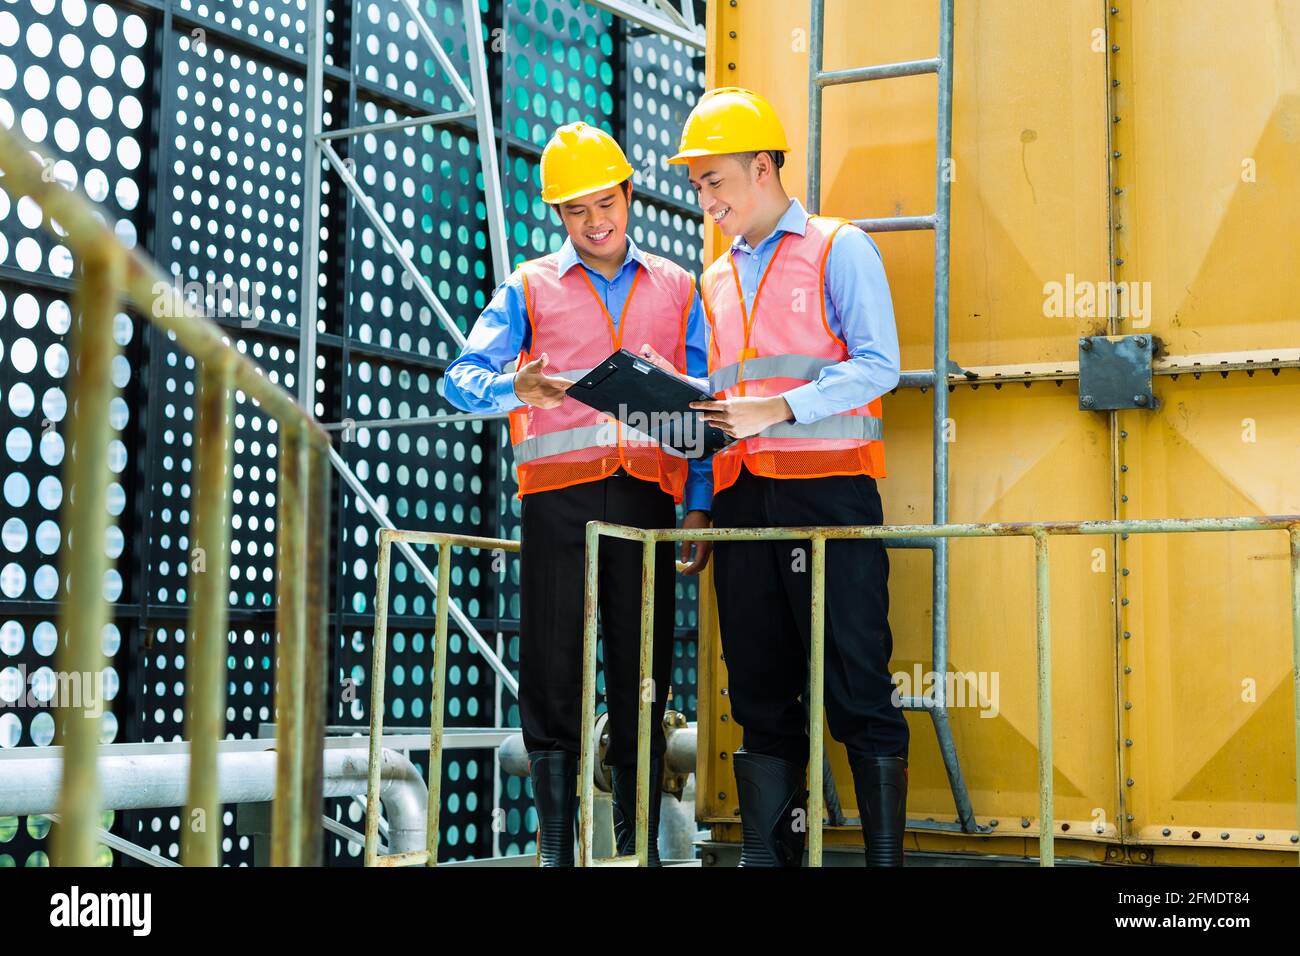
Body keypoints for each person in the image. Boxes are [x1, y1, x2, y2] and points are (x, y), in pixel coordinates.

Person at [443, 122, 713, 866]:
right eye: (575, 212)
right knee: (552, 672)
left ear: (630, 195)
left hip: (645, 500)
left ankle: (638, 851)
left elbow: (698, 407)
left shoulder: (678, 287)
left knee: (643, 673)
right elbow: (458, 378)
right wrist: (511, 385)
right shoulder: (528, 286)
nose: (595, 224)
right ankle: (557, 852)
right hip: (557, 499)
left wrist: (698, 499)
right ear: (557, 216)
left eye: (605, 204)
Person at [667, 87, 908, 866]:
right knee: (761, 692)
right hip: (742, 506)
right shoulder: (713, 280)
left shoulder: (841, 248)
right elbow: (708, 407)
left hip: (830, 491)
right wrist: (699, 507)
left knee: (856, 685)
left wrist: (783, 408)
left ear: (763, 167)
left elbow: (881, 365)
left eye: (716, 181)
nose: (705, 201)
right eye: (698, 185)